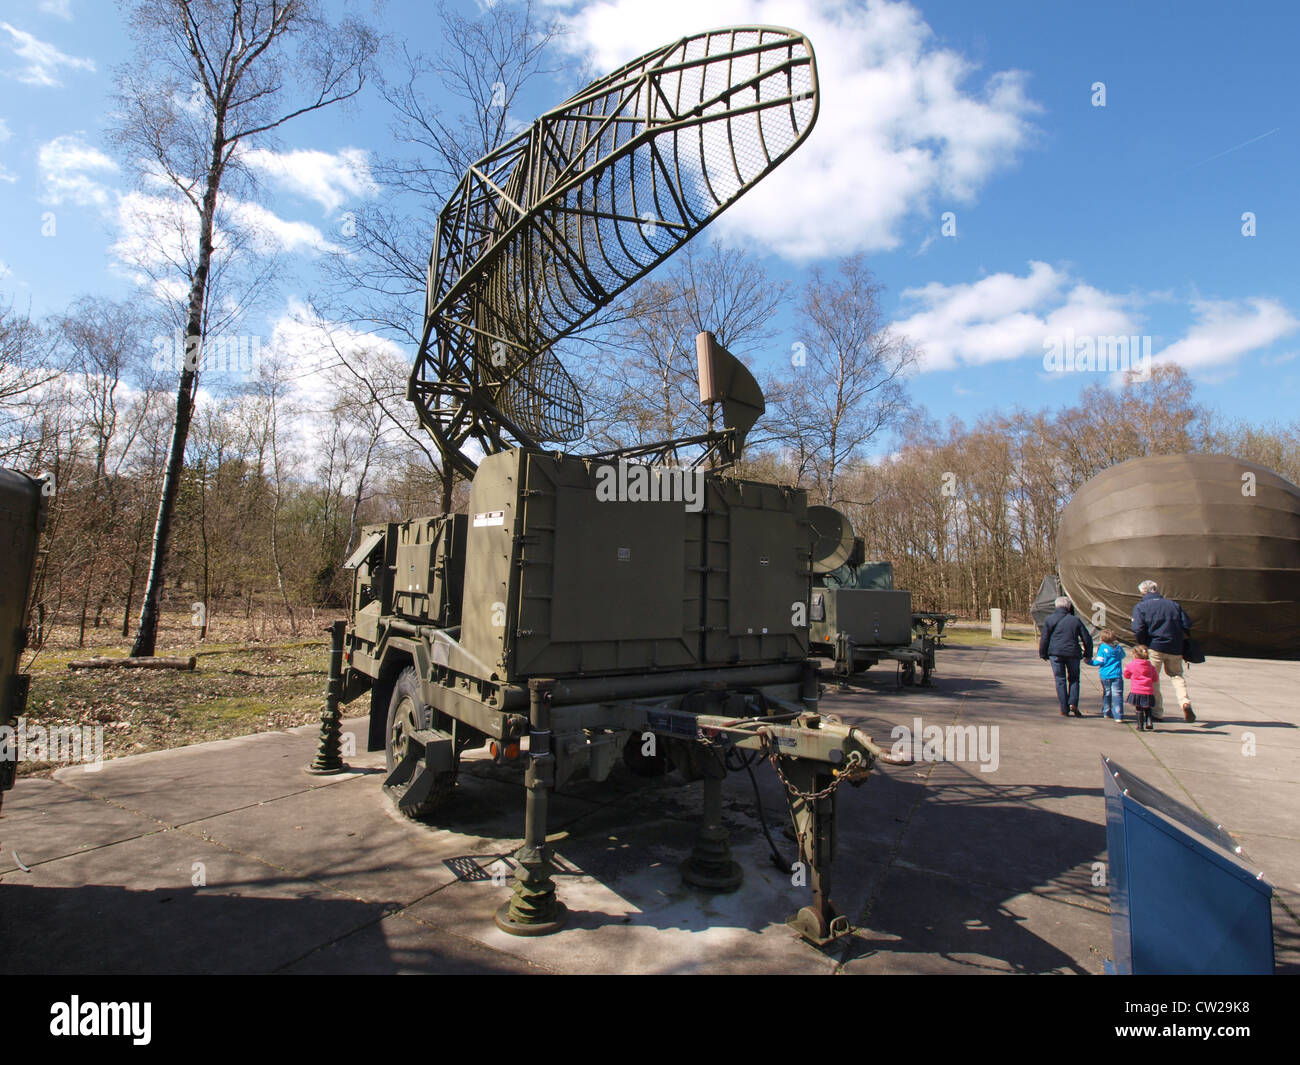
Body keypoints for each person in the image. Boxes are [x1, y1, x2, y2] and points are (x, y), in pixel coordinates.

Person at [1130, 579, 1195, 722]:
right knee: (1177, 676)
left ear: (1142, 592)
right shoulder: (1173, 605)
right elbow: (1187, 624)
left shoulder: (1141, 607)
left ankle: (1156, 712)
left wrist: (1142, 644)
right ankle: (1185, 702)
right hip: (1175, 647)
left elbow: (1138, 628)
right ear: (1156, 589)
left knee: (1153, 679)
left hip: (1154, 647)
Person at [1039, 595, 1094, 717]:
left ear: (1056, 606)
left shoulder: (1049, 619)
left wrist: (1043, 653)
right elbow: (1087, 638)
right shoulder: (1075, 620)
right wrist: (1087, 654)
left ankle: (1064, 708)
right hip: (1073, 653)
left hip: (1056, 653)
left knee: (1060, 680)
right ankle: (1073, 702)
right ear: (1069, 607)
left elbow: (1045, 638)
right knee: (1074, 679)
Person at [1090, 628, 1127, 720]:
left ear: (1102, 639)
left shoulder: (1102, 648)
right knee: (1117, 694)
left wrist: (1089, 662)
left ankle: (1106, 711)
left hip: (1105, 674)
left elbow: (1099, 661)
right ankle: (1118, 715)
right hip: (1117, 674)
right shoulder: (1118, 648)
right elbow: (1123, 655)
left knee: (1107, 693)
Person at [1124, 644, 1159, 730]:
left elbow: (1126, 675)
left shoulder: (1131, 665)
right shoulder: (1151, 667)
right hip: (1148, 691)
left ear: (1135, 655)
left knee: (1139, 708)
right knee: (1147, 707)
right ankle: (1149, 721)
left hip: (1137, 690)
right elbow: (1155, 679)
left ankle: (1140, 725)